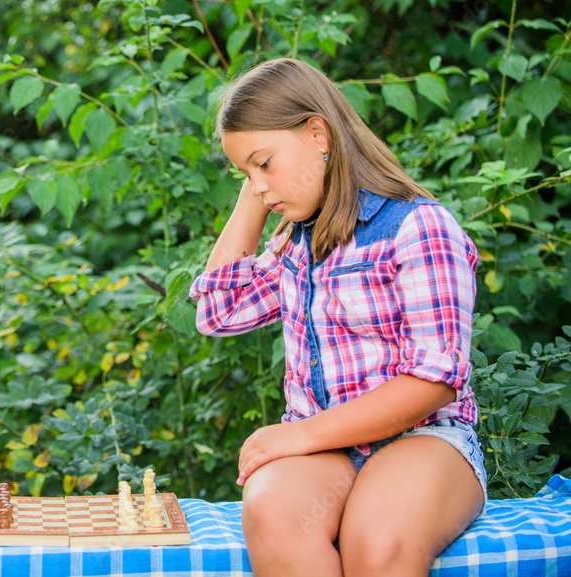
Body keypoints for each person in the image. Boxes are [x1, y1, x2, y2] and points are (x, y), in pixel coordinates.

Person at [189, 58, 486, 577]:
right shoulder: (296, 244)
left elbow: (434, 383)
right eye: (244, 173)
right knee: (274, 514)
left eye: (264, 162)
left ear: (318, 134)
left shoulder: (419, 227)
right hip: (327, 450)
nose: (257, 185)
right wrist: (258, 189)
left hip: (423, 440)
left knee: (376, 542)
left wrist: (298, 436)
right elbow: (218, 311)